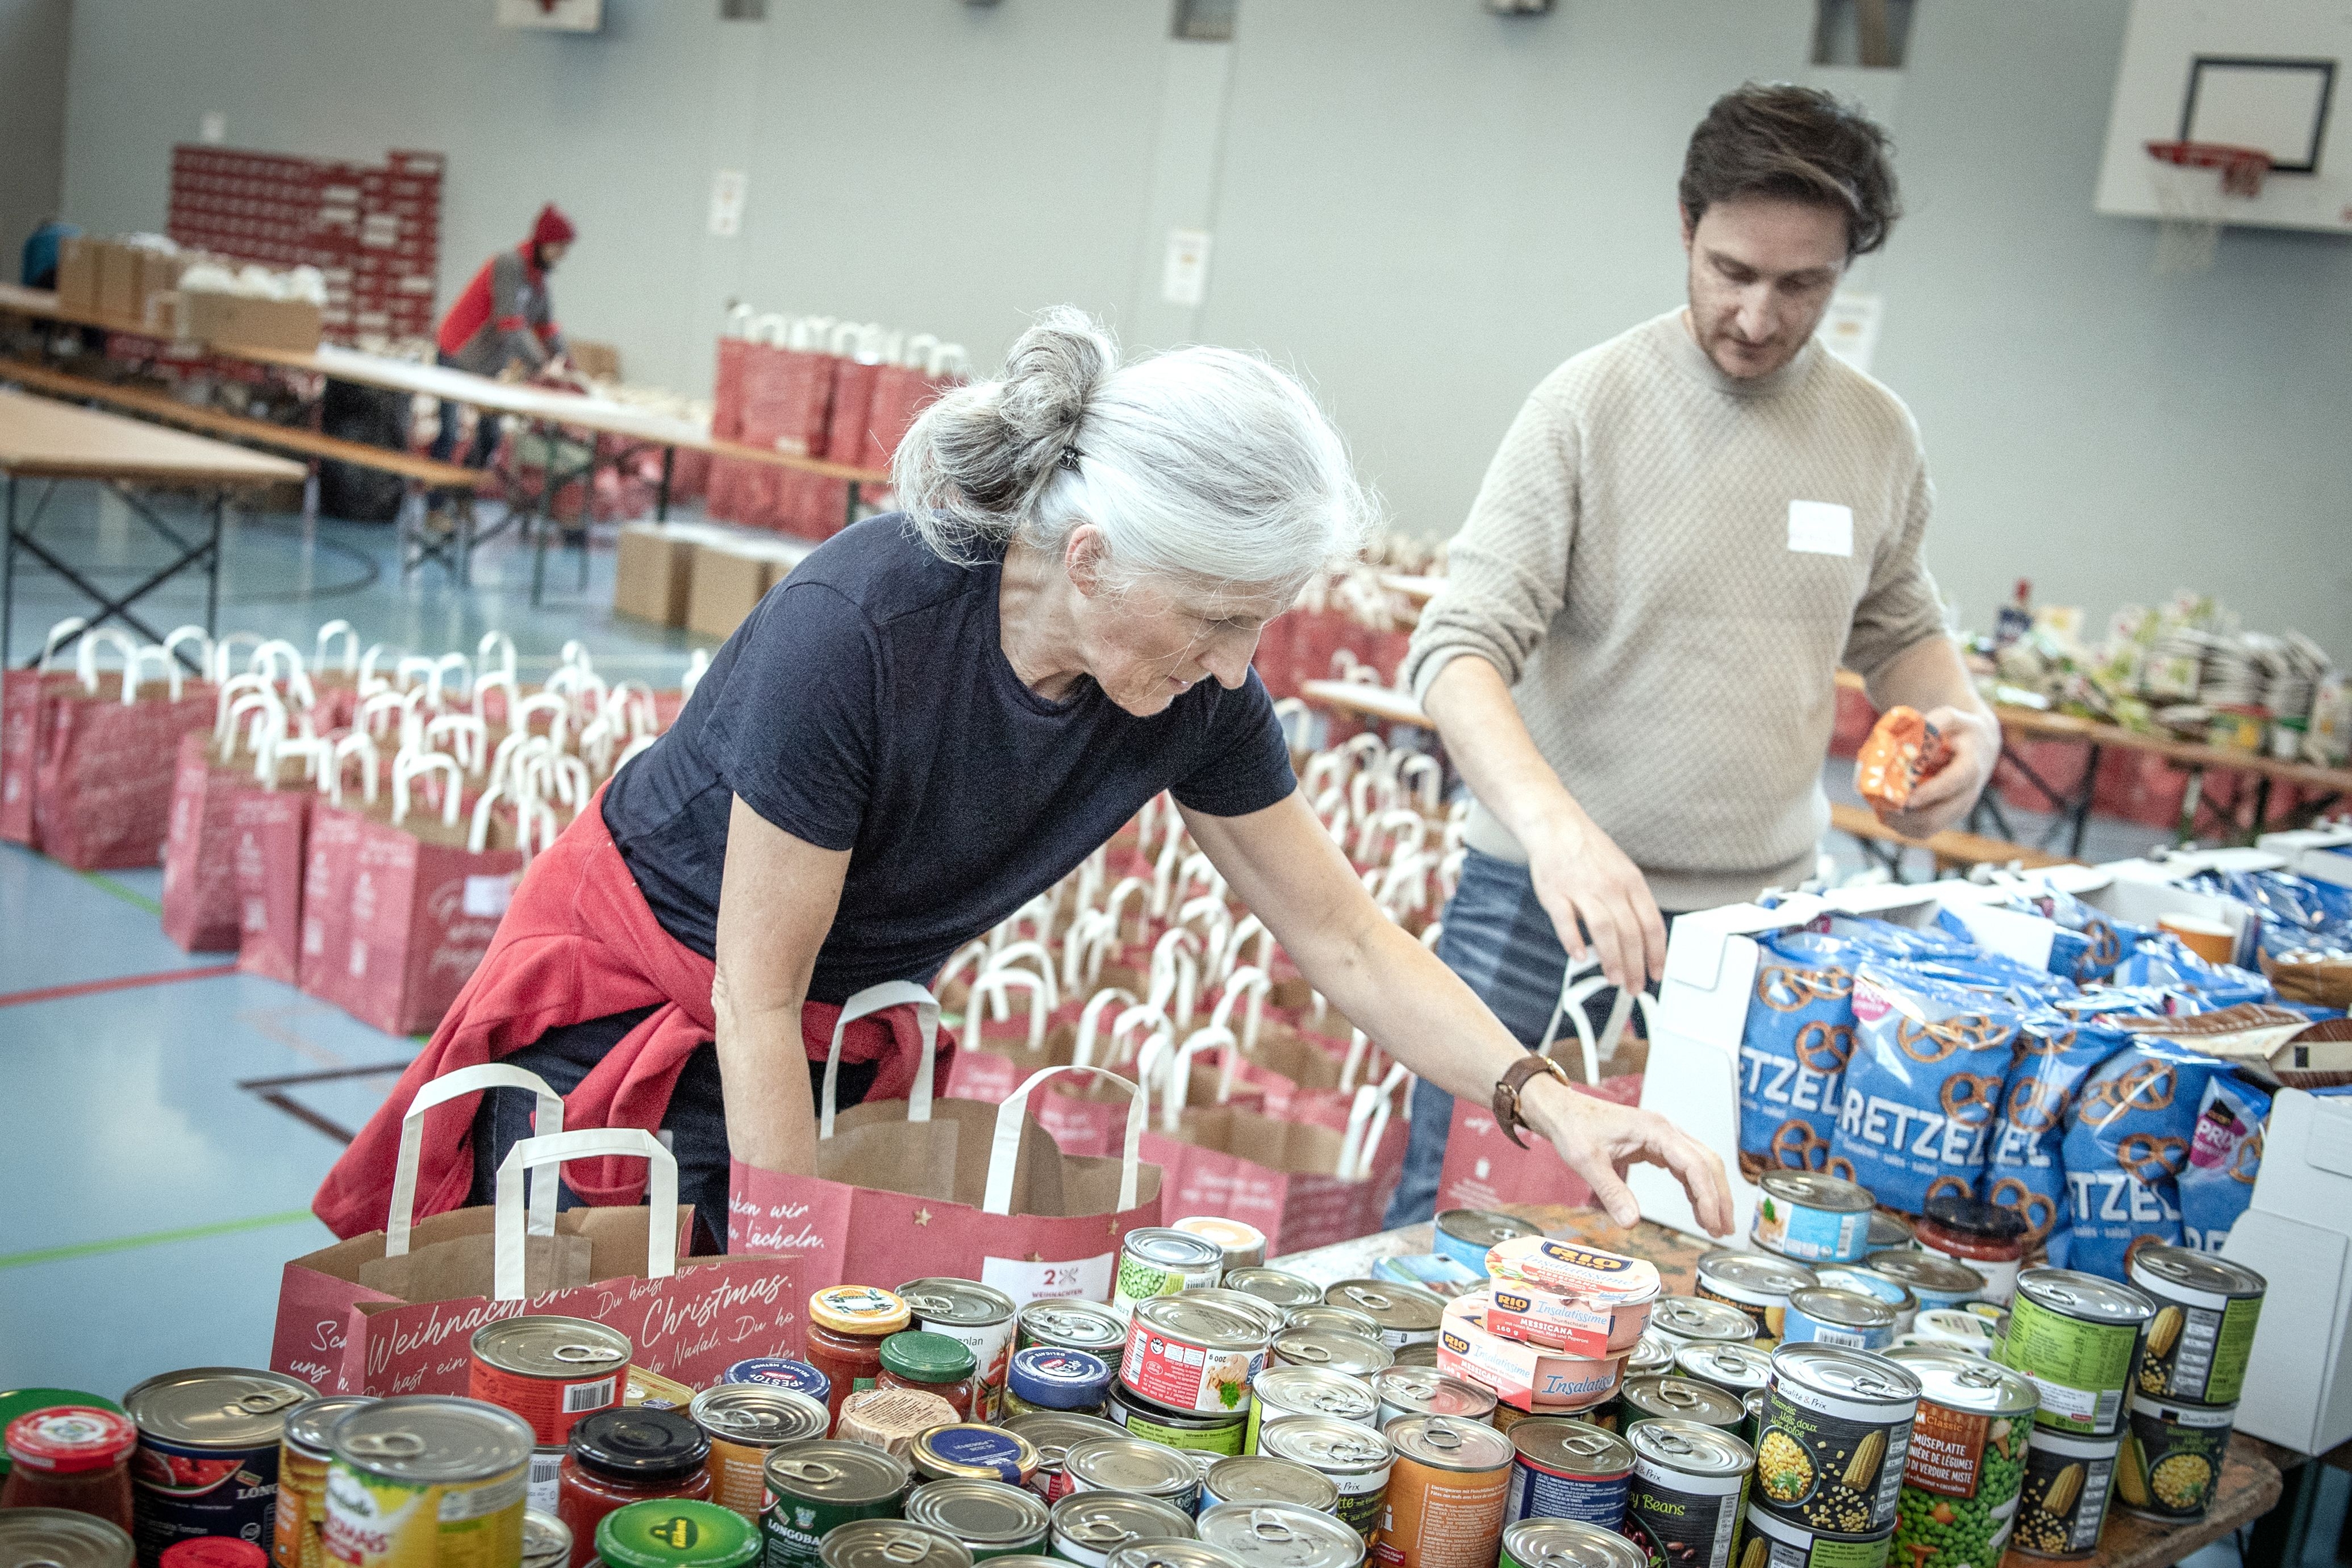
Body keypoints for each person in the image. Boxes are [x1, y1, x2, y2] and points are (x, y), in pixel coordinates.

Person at [315, 308, 1732, 1249]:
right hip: (640, 1024)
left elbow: (1347, 941)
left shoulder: (1185, 695)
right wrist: (802, 1266)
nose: (1242, 667)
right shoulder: (862, 631)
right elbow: (751, 993)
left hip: (823, 1032)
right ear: (1095, 555)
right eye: (1223, 617)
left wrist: (1555, 1102)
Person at [1384, 82, 1998, 1227]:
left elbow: (1902, 627)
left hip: (1753, 927)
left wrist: (1966, 729)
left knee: (1707, 1227)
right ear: (1685, 228)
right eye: (1733, 272)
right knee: (1453, 1218)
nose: (1759, 316)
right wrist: (1559, 832)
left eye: (1801, 284)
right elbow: (1456, 651)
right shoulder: (1585, 407)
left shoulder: (1875, 435)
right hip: (1537, 903)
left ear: (1846, 270)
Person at [424, 203, 577, 522]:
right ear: (543, 242)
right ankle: (435, 509)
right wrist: (540, 365)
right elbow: (510, 324)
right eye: (559, 246)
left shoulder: (538, 282)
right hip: (458, 353)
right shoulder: (509, 264)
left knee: (491, 434)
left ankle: (462, 496)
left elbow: (547, 327)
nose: (563, 254)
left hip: (487, 365)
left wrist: (568, 364)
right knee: (449, 432)